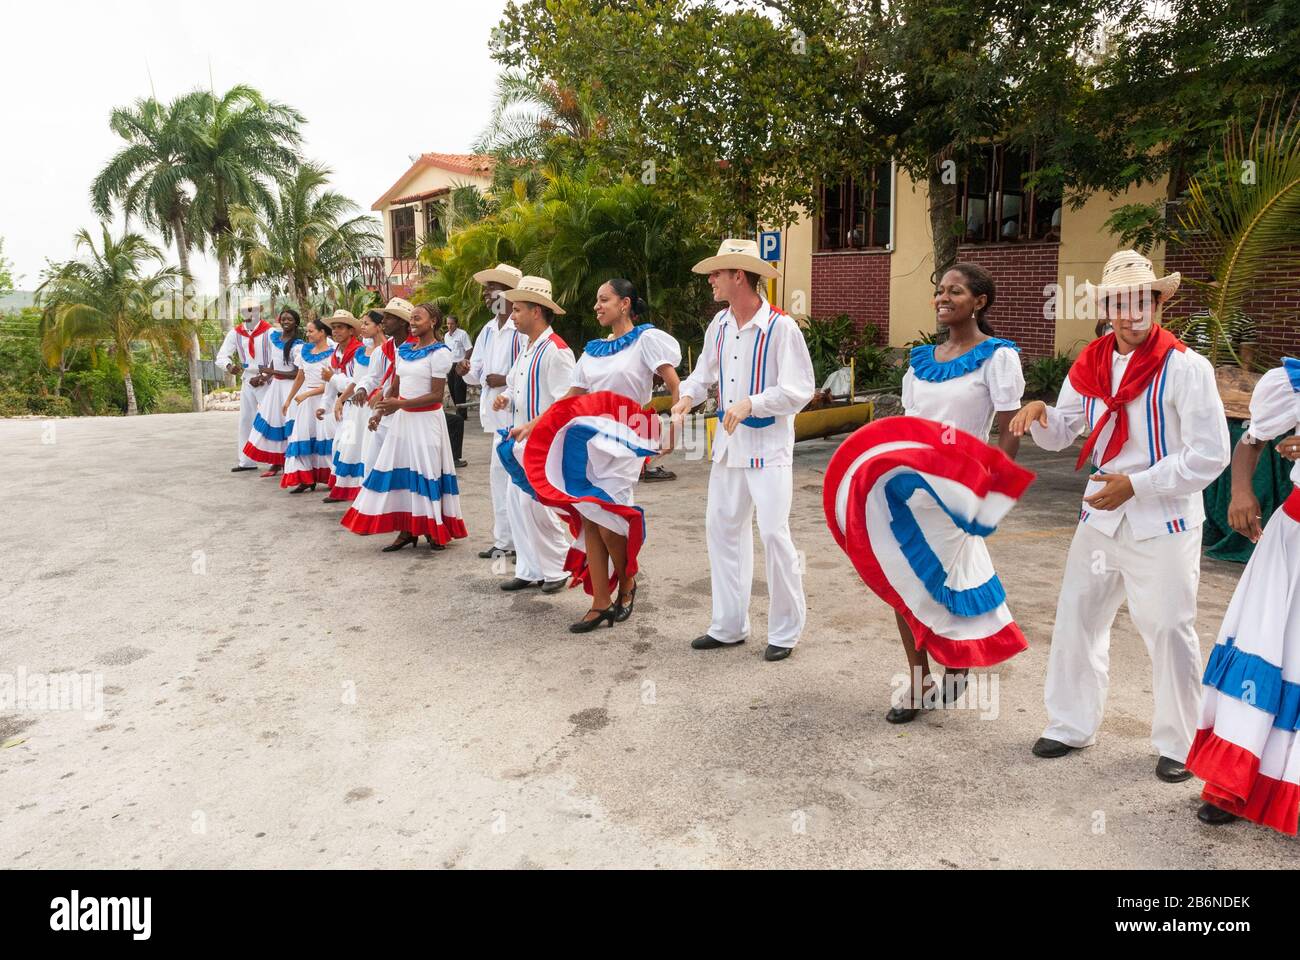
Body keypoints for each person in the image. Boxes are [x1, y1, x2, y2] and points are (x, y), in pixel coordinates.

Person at [1010, 249, 1231, 781]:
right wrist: (1042, 414)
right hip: (1101, 517)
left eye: (1140, 302)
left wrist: (1139, 484)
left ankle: (1180, 743)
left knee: (1169, 630)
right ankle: (1069, 724)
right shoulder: (1089, 363)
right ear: (1105, 307)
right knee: (1078, 619)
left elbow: (1210, 454)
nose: (1129, 314)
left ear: (1157, 304)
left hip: (1164, 520)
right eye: (1117, 303)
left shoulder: (1186, 367)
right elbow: (1068, 430)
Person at [875, 263, 1028, 723]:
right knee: (902, 583)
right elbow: (905, 427)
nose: (943, 298)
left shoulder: (998, 357)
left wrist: (994, 487)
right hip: (909, 487)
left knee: (947, 582)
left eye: (955, 291)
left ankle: (957, 659)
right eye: (939, 291)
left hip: (959, 492)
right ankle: (919, 680)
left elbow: (1010, 429)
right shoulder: (921, 359)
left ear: (979, 302)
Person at [669, 239, 815, 662]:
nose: (711, 280)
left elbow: (798, 390)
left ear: (739, 275)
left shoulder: (780, 327)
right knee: (723, 531)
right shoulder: (719, 325)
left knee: (773, 533)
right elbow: (701, 376)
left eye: (717, 273)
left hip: (768, 448)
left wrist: (754, 402)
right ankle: (729, 625)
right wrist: (685, 399)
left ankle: (785, 631)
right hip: (729, 449)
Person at [510, 279, 682, 633]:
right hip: (587, 442)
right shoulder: (592, 350)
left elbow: (674, 382)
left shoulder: (647, 340)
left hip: (626, 437)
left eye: (604, 299)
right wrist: (534, 424)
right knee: (590, 515)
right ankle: (601, 602)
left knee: (609, 516)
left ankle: (628, 579)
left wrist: (675, 426)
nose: (596, 306)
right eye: (596, 300)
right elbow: (570, 398)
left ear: (625, 304)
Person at [1187, 360, 1300, 834]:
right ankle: (1234, 780)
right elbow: (1252, 440)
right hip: (1294, 540)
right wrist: (1239, 492)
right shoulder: (1291, 383)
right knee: (1267, 649)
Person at [341, 302, 467, 552]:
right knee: (404, 471)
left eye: (418, 318)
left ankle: (433, 527)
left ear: (432, 322)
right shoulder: (405, 350)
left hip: (427, 421)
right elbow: (395, 386)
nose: (413, 322)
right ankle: (407, 530)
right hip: (403, 420)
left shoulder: (440, 353)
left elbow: (436, 396)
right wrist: (380, 411)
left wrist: (400, 404)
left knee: (427, 471)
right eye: (411, 318)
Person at [491, 276, 576, 593]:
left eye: (518, 309)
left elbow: (566, 402)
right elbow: (515, 386)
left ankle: (557, 568)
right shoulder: (527, 348)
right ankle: (529, 568)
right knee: (519, 505)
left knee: (541, 508)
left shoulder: (557, 351)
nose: (512, 315)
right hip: (520, 443)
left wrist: (533, 425)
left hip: (544, 444)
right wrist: (507, 398)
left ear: (537, 312)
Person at [465, 263, 524, 559]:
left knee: (520, 481)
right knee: (499, 479)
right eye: (487, 290)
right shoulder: (488, 330)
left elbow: (529, 368)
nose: (487, 296)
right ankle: (504, 541)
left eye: (492, 289)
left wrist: (505, 379)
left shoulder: (522, 328)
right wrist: (466, 371)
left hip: (519, 416)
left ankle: (524, 542)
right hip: (495, 418)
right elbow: (476, 372)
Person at [242, 307, 303, 476]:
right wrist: (263, 376)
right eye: (283, 319)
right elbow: (273, 363)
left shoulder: (298, 346)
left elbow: (297, 373)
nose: (285, 322)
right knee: (273, 422)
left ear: (296, 323)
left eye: (289, 319)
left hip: (289, 388)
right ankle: (276, 463)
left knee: (288, 424)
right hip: (275, 387)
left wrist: (272, 373)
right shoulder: (275, 338)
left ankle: (290, 463)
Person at [215, 296, 273, 472]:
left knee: (271, 418)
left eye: (252, 309)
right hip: (248, 378)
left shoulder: (269, 332)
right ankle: (246, 461)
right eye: (244, 309)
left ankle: (275, 460)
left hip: (268, 379)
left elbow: (277, 357)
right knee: (246, 419)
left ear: (259, 310)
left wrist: (264, 376)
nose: (248, 313)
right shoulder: (236, 333)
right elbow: (221, 356)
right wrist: (229, 366)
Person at [280, 317, 337, 494]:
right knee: (301, 436)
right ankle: (305, 478)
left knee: (325, 439)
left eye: (311, 331)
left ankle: (333, 478)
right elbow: (300, 376)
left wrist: (307, 394)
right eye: (307, 331)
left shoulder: (333, 352)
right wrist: (289, 399)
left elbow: (331, 383)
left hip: (325, 400)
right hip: (306, 402)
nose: (308, 334)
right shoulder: (305, 350)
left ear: (322, 332)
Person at [320, 310, 366, 504]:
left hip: (356, 404)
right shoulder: (336, 353)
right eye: (334, 328)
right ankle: (345, 487)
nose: (336, 331)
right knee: (342, 445)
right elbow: (331, 384)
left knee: (348, 445)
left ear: (351, 331)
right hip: (346, 404)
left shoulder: (359, 352)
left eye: (340, 327)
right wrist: (325, 404)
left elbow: (355, 383)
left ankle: (350, 488)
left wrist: (333, 378)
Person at [443, 314, 473, 468]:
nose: (449, 327)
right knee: (453, 392)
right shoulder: (446, 336)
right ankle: (459, 411)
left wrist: (464, 361)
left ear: (456, 324)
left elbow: (469, 349)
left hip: (459, 364)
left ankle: (461, 414)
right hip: (450, 364)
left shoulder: (462, 334)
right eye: (447, 324)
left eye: (452, 324)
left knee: (459, 389)